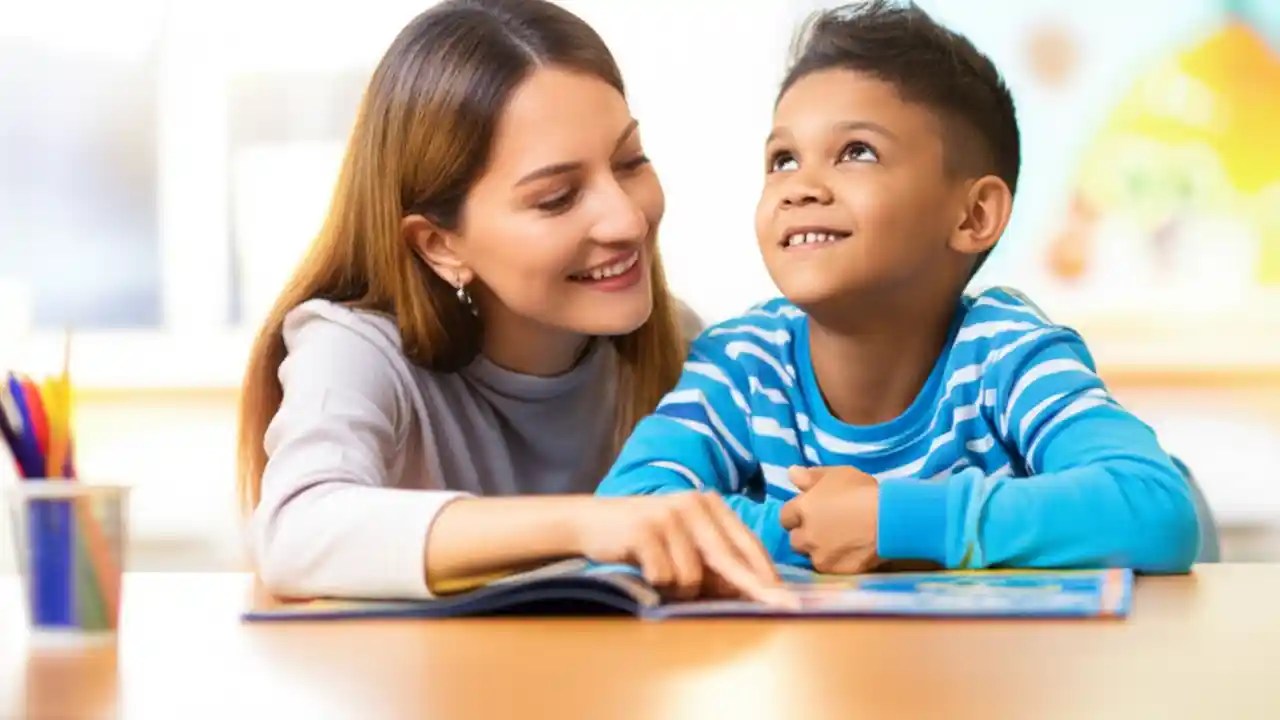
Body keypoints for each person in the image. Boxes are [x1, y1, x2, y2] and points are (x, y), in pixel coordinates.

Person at [596, 1, 1200, 575]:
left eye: (856, 152)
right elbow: (629, 510)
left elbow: (1153, 506)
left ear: (973, 217)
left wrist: (893, 522)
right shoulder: (743, 361)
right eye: (783, 159)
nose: (799, 187)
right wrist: (815, 531)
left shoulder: (1006, 353)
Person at [236, 0, 787, 604]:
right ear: (440, 244)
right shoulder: (355, 347)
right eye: (556, 197)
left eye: (630, 162)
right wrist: (591, 523)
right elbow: (295, 532)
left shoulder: (682, 343)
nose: (627, 220)